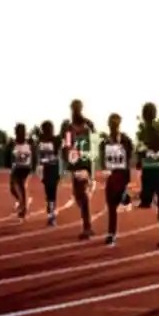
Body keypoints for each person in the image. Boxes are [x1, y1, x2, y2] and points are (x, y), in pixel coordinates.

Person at [136, 102, 159, 248]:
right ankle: (156, 198)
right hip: (148, 169)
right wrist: (142, 155)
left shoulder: (158, 129)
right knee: (146, 200)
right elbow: (139, 148)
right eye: (146, 113)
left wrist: (157, 153)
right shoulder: (142, 131)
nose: (147, 116)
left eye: (149, 113)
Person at [62, 100, 98, 240]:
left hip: (84, 163)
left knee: (81, 195)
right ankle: (87, 224)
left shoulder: (87, 126)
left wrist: (91, 166)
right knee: (78, 195)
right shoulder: (70, 128)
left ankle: (87, 227)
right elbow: (67, 146)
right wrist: (68, 163)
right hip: (77, 163)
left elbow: (93, 144)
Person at [100, 113, 135, 245]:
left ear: (119, 124)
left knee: (116, 200)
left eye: (115, 124)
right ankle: (111, 233)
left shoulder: (125, 139)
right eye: (111, 123)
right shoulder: (105, 140)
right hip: (111, 175)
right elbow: (103, 154)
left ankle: (125, 196)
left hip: (122, 175)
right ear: (109, 125)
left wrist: (125, 161)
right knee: (111, 205)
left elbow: (130, 152)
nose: (113, 126)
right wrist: (105, 166)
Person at [6, 123, 36, 220]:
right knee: (13, 187)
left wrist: (34, 166)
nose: (18, 133)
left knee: (21, 186)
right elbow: (8, 155)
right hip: (17, 167)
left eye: (20, 131)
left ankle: (23, 207)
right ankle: (22, 202)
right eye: (17, 131)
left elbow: (34, 154)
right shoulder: (13, 143)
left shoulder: (29, 142)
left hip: (25, 168)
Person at [36, 121, 62, 226]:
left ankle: (51, 213)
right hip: (48, 168)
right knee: (50, 192)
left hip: (51, 167)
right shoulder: (42, 140)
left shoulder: (53, 140)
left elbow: (60, 147)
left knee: (51, 191)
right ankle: (51, 211)